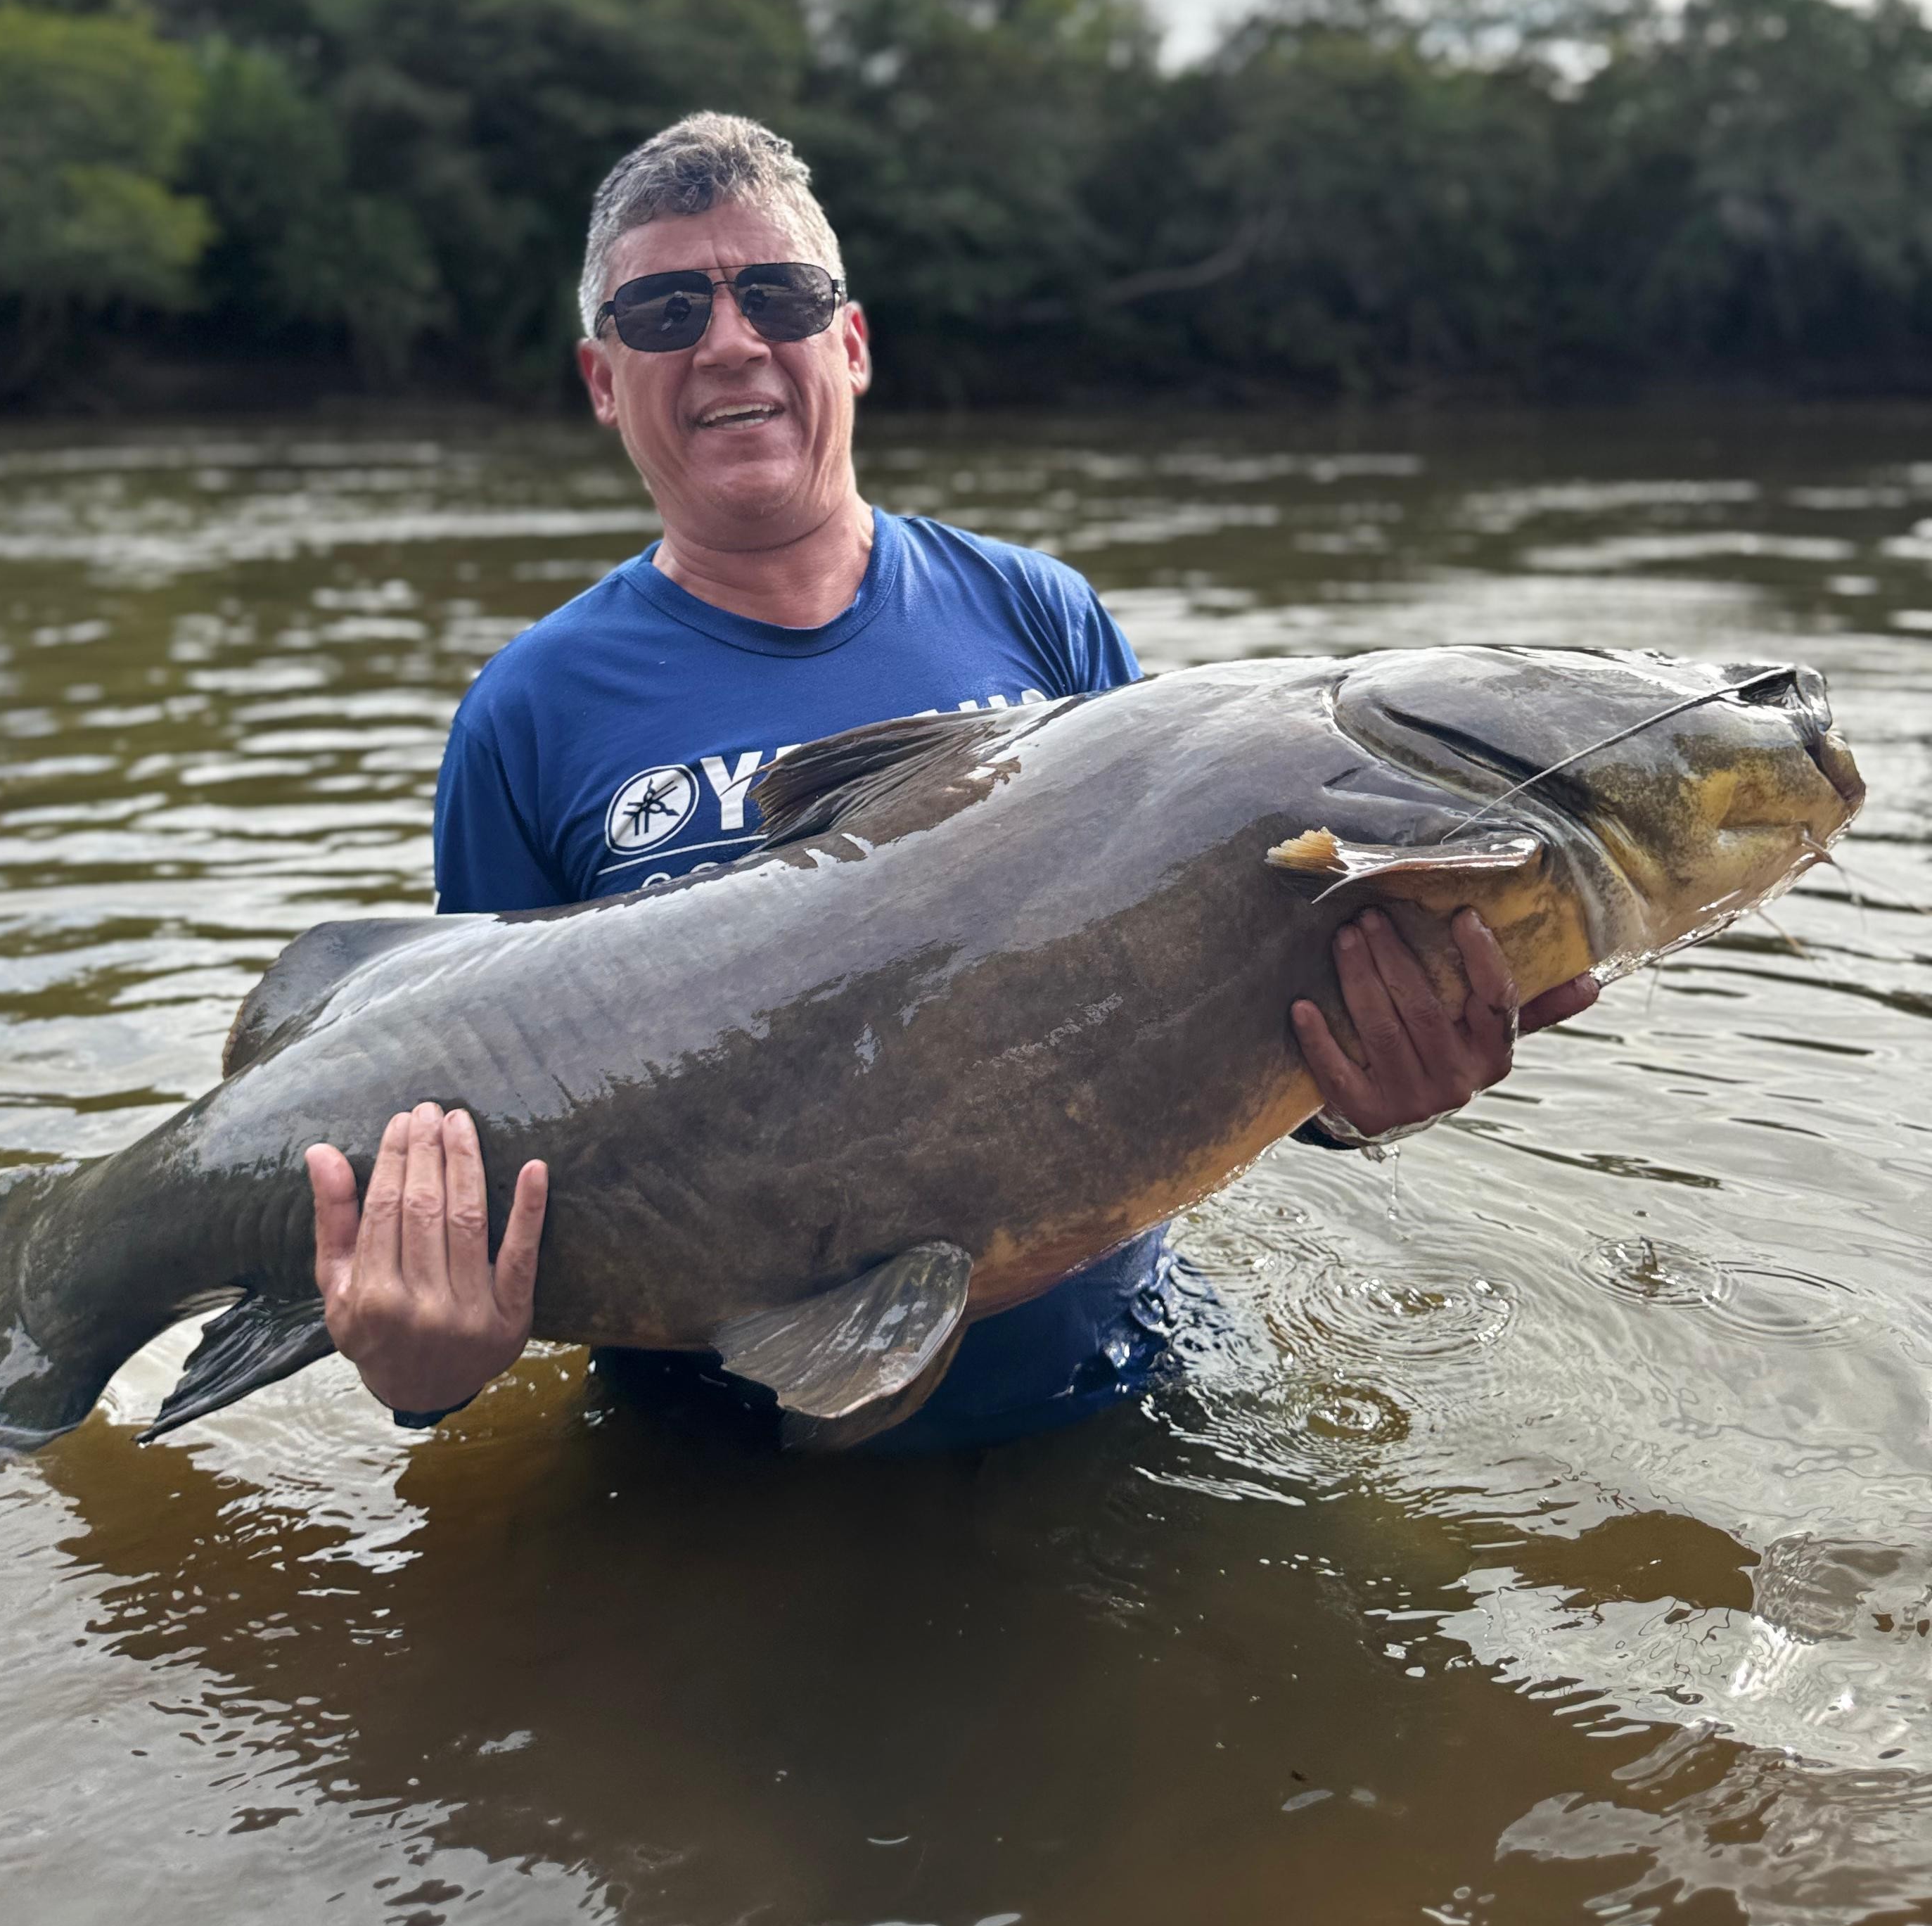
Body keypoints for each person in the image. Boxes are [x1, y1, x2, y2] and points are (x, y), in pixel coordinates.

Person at [305, 115, 1597, 1438]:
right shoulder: (524, 717)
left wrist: (1361, 1099)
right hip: (719, 1469)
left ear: (850, 346)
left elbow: (1214, 988)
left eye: (780, 295)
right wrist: (427, 1377)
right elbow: (456, 1166)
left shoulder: (1043, 617)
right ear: (600, 376)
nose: (731, 340)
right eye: (664, 309)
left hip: (1124, 1394)